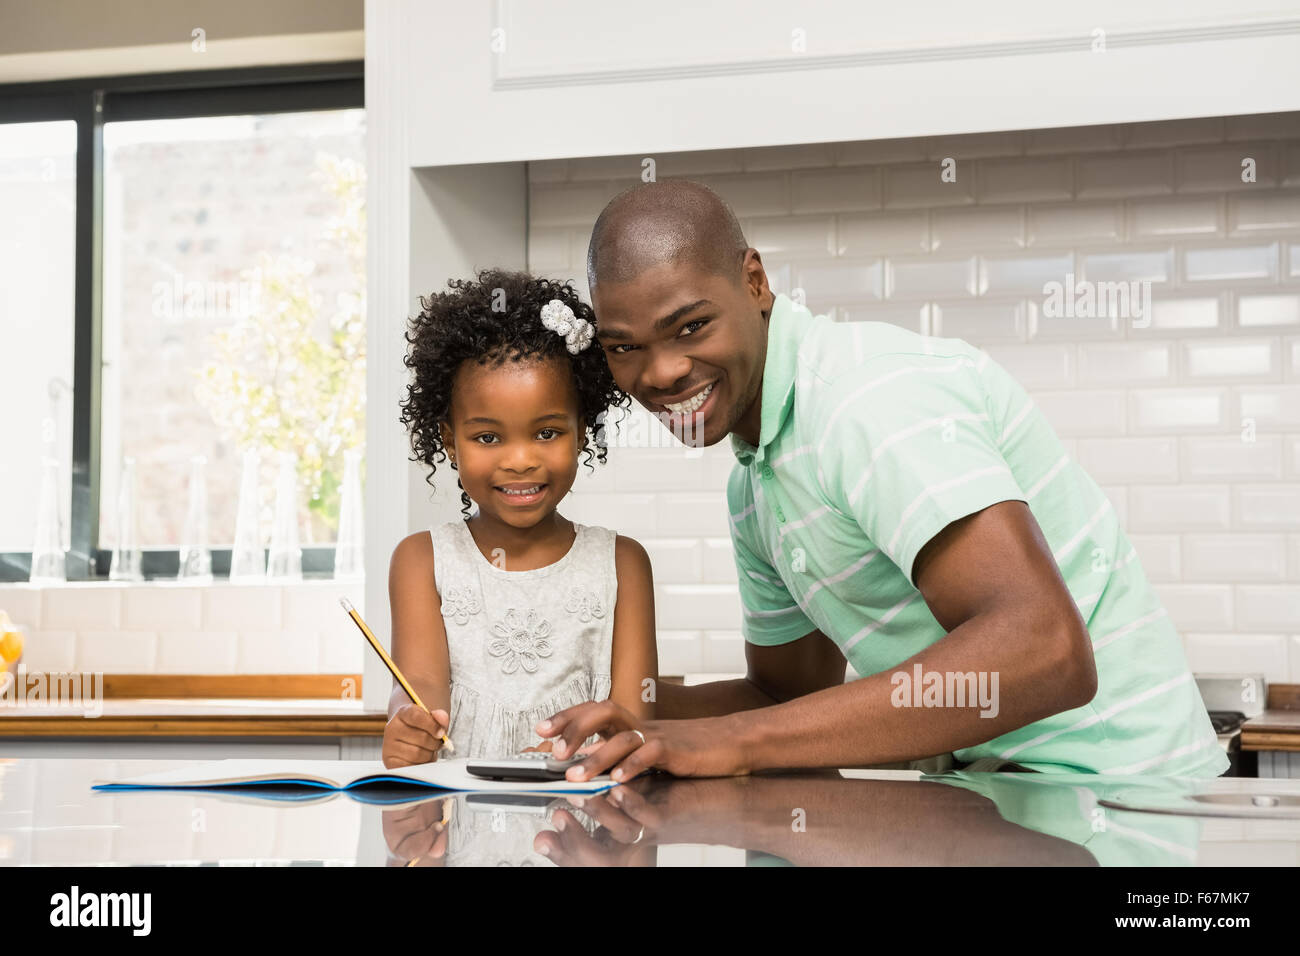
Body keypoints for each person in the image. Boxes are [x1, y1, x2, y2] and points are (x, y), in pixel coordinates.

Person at [535, 180, 1229, 780]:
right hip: (1007, 795)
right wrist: (633, 710)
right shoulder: (757, 480)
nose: (659, 373)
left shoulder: (864, 401)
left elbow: (1044, 651)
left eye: (689, 327)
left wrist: (731, 743)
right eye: (625, 347)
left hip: (1120, 794)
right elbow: (782, 697)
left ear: (754, 282)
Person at [382, 269, 657, 766]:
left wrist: (618, 733)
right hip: (458, 829)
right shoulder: (422, 560)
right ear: (449, 441)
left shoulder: (623, 564)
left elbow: (637, 717)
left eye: (547, 433)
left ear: (582, 433)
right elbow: (419, 685)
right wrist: (407, 719)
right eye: (488, 438)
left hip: (585, 825)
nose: (520, 460)